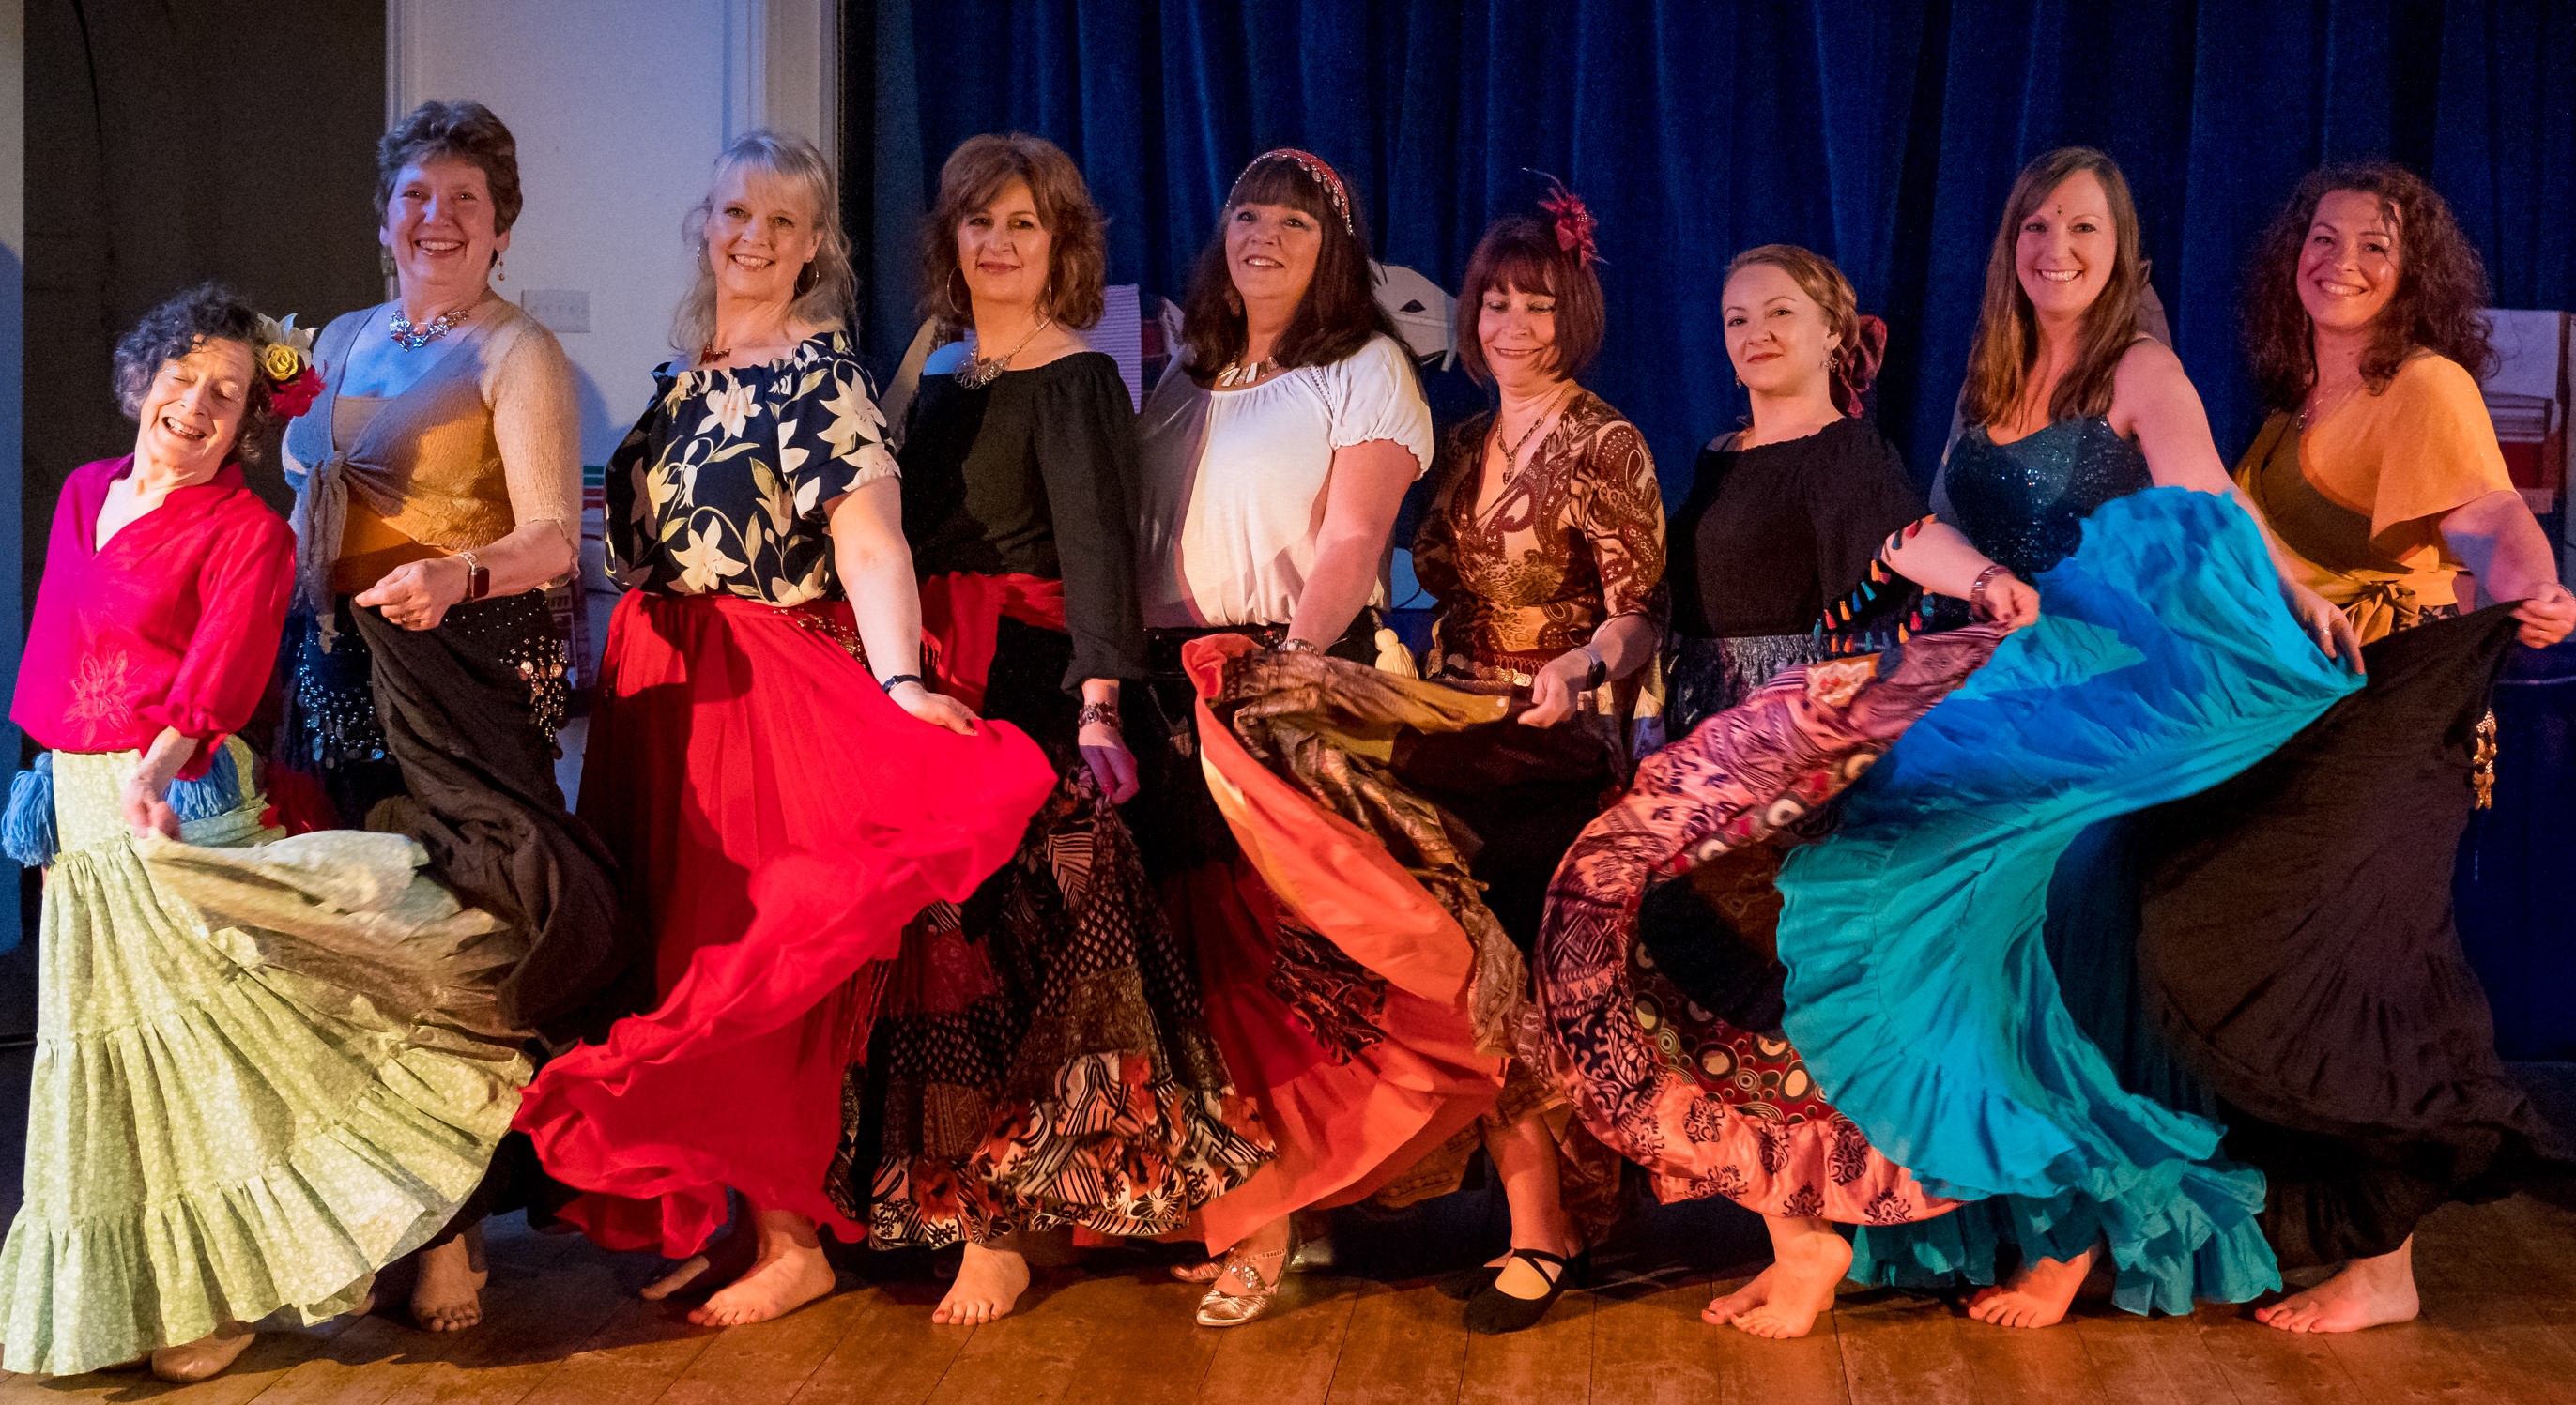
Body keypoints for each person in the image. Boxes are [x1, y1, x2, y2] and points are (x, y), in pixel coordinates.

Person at [1771, 146, 2366, 1329]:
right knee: (1908, 898)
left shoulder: (2137, 367)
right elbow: (1941, 525)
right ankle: (1960, 1196)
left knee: (2056, 918)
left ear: (2120, 251)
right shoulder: (1989, 373)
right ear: (2010, 245)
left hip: (2096, 690)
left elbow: (2207, 502)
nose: (2057, 249)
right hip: (1995, 683)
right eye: (2037, 226)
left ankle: (2076, 1229)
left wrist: (2295, 588)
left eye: (2083, 228)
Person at [512, 130, 1053, 1330]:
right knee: (674, 958)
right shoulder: (686, 371)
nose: (751, 237)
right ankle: (742, 1222)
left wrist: (901, 681)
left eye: (780, 221)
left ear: (815, 247)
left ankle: (794, 1242)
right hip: (662, 694)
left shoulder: (816, 374)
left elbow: (869, 541)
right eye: (733, 213)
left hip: (757, 687)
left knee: (747, 964)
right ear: (703, 226)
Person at [0, 287, 529, 1382]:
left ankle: (222, 1298)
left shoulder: (245, 530)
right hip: (83, 807)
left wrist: (153, 774)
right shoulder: (86, 490)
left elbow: (219, 679)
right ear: (141, 382)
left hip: (174, 796)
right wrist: (49, 788)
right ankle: (136, 1302)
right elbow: (58, 646)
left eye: (226, 393)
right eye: (182, 379)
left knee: (209, 1057)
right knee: (112, 1065)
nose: (196, 406)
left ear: (249, 420)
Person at [2133, 162, 2576, 1335]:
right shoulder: (2295, 404)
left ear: (2410, 270)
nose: (2341, 263)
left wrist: (2532, 589)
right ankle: (2325, 1231)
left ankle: (2385, 1265)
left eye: (2374, 245)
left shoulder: (2424, 385)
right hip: (2307, 719)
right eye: (2321, 240)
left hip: (2396, 718)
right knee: (2272, 956)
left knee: (2364, 972)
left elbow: (2488, 516)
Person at [838, 131, 1269, 1327]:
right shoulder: (938, 370)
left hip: (1030, 687)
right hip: (935, 681)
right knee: (936, 949)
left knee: (1020, 956)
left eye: (1022, 224)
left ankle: (1005, 1231)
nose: (998, 243)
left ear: (1060, 245)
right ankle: (975, 1209)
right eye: (978, 222)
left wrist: (1097, 707)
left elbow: (1097, 556)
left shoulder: (1076, 374)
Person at [278, 99, 628, 1333]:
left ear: (501, 229)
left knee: (460, 947)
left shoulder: (515, 350)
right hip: (339, 676)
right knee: (367, 954)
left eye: (464, 201)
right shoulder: (338, 338)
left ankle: (460, 1229)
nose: (437, 218)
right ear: (385, 216)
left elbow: (551, 537)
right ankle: (391, 1214)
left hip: (461, 671)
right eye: (416, 196)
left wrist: (456, 575)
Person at [1128, 148, 1495, 1328]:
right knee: (1197, 957)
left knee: (1276, 955)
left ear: (1335, 249)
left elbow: (1350, 539)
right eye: (1247, 215)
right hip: (1165, 679)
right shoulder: (1184, 373)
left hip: (1275, 673)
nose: (1264, 237)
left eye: (1293, 223)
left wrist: (1282, 666)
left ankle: (1268, 1221)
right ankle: (1253, 1198)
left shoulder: (1364, 365)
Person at [1395, 192, 1660, 1333]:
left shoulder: (1605, 442)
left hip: (1550, 748)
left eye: (1536, 304)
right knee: (1462, 986)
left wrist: (1581, 665)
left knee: (1524, 993)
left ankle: (1543, 1232)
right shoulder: (1459, 444)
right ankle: (1525, 1218)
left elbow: (1637, 615)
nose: (1510, 323)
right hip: (1451, 733)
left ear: (1574, 314)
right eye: (1494, 301)